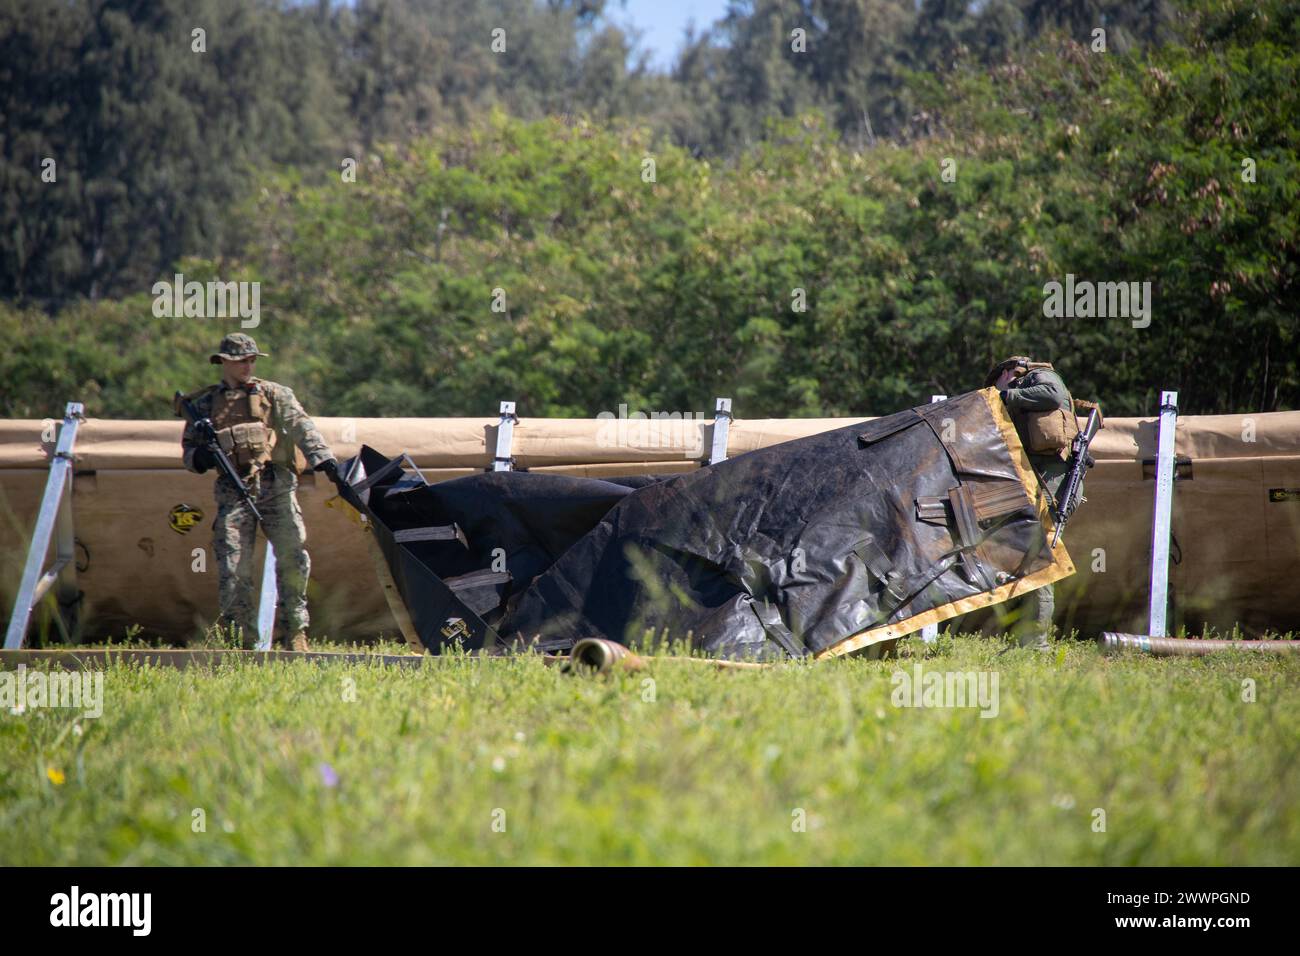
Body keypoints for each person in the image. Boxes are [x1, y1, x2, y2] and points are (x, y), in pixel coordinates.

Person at [177, 333, 345, 650]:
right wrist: (201, 456)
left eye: (252, 360)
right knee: (233, 567)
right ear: (223, 362)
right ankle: (241, 640)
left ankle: (295, 632)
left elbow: (301, 425)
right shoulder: (204, 406)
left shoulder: (274, 395)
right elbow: (188, 454)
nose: (248, 366)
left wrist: (322, 457)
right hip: (233, 492)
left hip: (276, 487)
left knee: (293, 557)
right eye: (241, 360)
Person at [984, 355, 1081, 651]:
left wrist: (1006, 394)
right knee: (1023, 560)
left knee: (1037, 560)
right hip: (1037, 483)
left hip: (1053, 486)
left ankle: (1036, 644)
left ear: (1007, 372)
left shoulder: (1039, 378)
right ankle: (1022, 640)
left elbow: (1055, 395)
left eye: (995, 383)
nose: (995, 390)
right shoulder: (1023, 391)